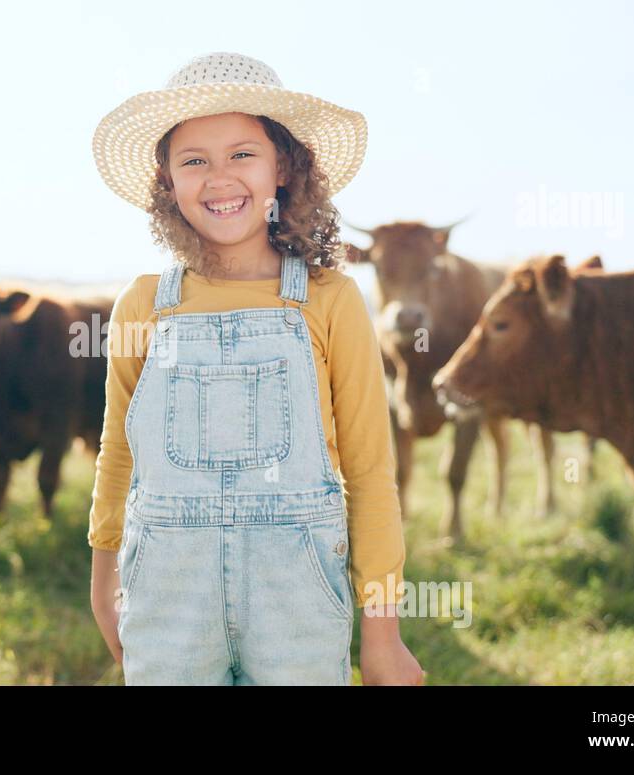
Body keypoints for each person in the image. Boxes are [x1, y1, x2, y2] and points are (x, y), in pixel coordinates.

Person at [87, 52, 424, 685]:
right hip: (167, 600)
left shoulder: (330, 300)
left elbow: (371, 473)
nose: (219, 179)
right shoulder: (142, 304)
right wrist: (104, 589)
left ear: (285, 168)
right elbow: (117, 457)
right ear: (167, 182)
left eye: (243, 154)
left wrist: (382, 634)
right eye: (194, 161)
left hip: (298, 603)